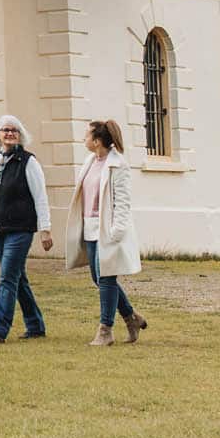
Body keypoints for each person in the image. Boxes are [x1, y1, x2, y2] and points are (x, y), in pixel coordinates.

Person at [66, 118, 146, 346]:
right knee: (98, 278)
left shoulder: (118, 165)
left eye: (87, 135)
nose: (84, 138)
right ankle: (131, 318)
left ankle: (105, 330)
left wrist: (116, 232)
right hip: (89, 228)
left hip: (107, 230)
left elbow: (123, 201)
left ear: (97, 140)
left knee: (107, 277)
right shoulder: (90, 161)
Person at [0, 114, 52, 342]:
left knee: (7, 277)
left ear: (20, 135)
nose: (10, 134)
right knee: (18, 279)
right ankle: (35, 325)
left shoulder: (28, 162)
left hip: (21, 229)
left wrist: (45, 229)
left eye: (14, 130)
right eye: (5, 130)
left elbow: (40, 197)